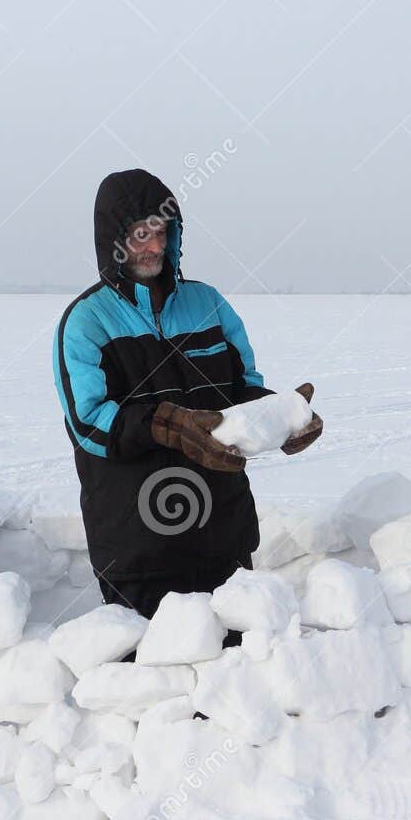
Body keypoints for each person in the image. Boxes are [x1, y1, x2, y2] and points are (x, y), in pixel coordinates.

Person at [52, 168, 323, 619]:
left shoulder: (208, 303)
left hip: (224, 536)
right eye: (142, 233)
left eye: (162, 231)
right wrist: (167, 425)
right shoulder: (86, 321)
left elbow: (246, 391)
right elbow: (88, 424)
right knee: (151, 683)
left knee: (244, 675)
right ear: (113, 237)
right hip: (137, 549)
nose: (155, 246)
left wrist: (285, 416)